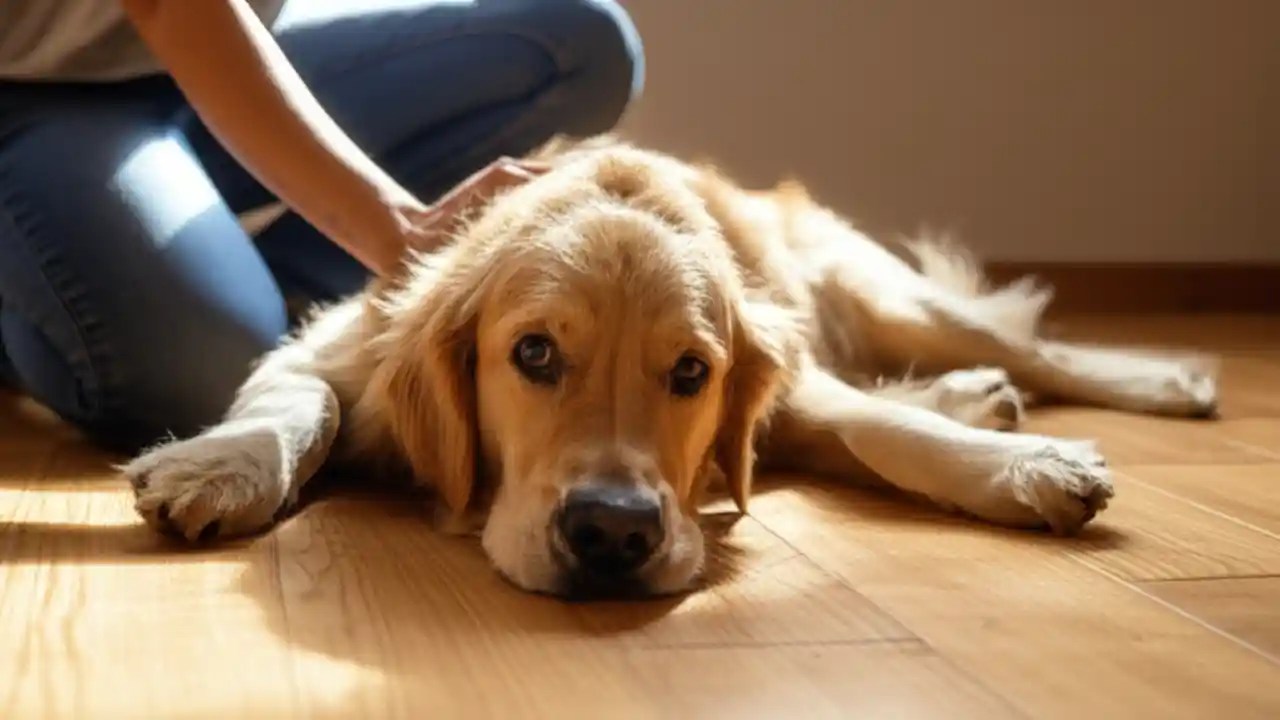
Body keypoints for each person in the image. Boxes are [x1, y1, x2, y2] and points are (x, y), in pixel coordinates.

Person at [0, 0, 644, 451]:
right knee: (213, 371)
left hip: (234, 39)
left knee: (579, 50)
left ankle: (259, 287)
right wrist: (400, 229)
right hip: (33, 86)